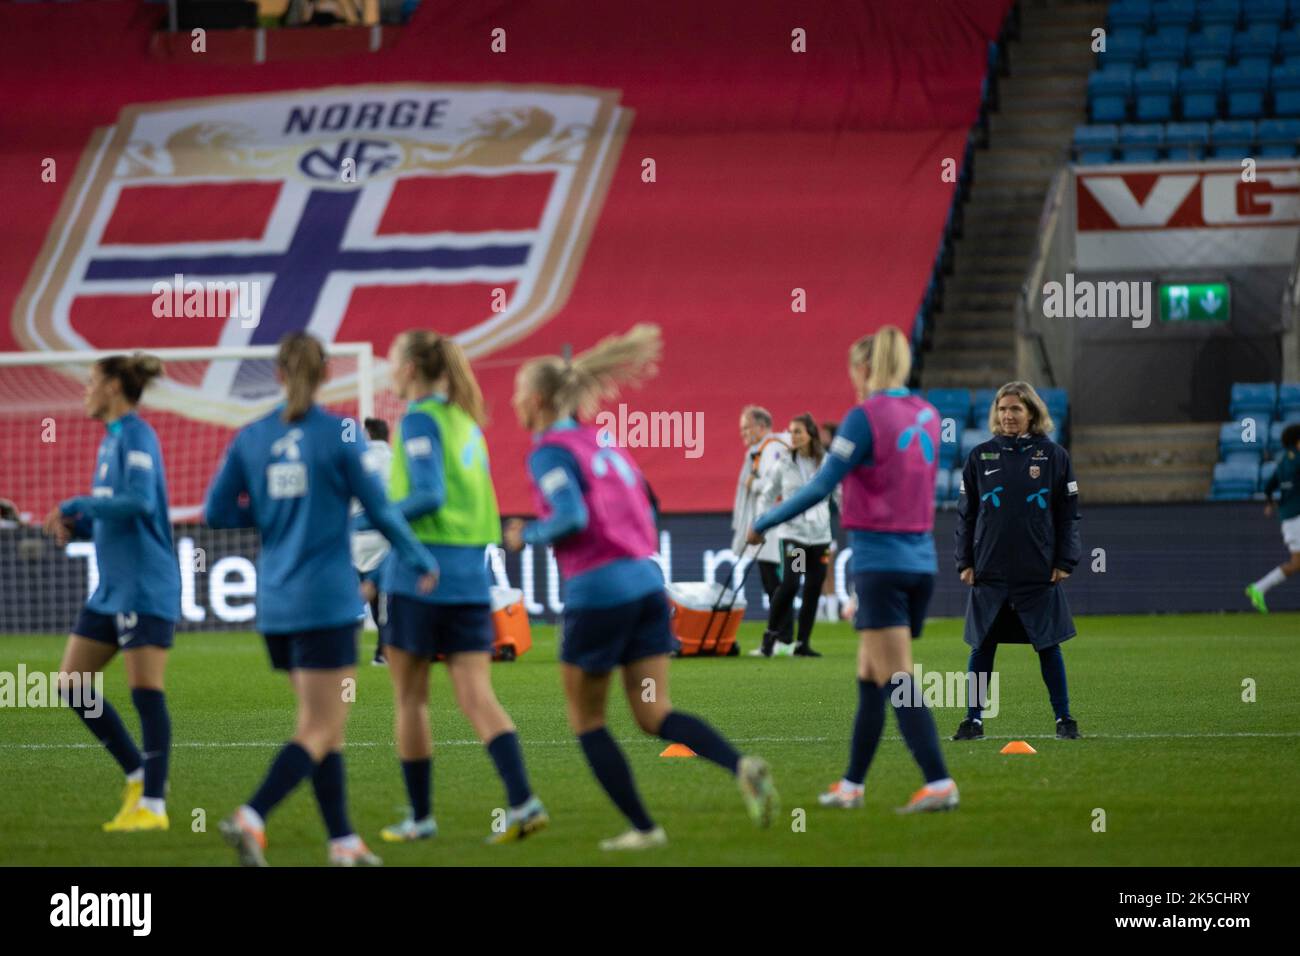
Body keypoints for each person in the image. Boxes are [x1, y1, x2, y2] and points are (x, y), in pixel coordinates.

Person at [502, 324, 778, 850]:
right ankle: (739, 764)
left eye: (518, 393)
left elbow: (570, 516)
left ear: (536, 399)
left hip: (598, 593)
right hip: (648, 586)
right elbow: (647, 506)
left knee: (586, 720)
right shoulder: (604, 441)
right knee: (653, 713)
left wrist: (525, 535)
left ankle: (645, 829)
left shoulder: (548, 451)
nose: (514, 402)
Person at [205, 333, 439, 867]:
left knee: (320, 723)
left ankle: (343, 842)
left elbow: (217, 513)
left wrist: (267, 512)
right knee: (322, 727)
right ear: (327, 373)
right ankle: (252, 815)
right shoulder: (341, 434)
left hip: (278, 605)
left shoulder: (251, 438)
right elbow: (380, 510)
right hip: (328, 601)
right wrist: (420, 558)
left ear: (279, 374)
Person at [749, 326, 959, 814]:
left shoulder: (864, 418)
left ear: (864, 369)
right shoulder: (928, 414)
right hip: (920, 561)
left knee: (898, 678)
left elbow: (822, 484)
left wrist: (765, 521)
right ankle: (852, 786)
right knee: (870, 674)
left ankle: (939, 781)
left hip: (880, 564)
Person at [361, 329, 546, 845]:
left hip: (421, 575)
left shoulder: (419, 419)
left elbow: (427, 493)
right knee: (477, 696)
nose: (390, 372)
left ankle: (420, 818)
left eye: (394, 361)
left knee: (411, 701)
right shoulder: (465, 422)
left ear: (414, 368)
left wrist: (370, 517)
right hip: (470, 576)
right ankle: (523, 800)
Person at [41, 353, 180, 833]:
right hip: (112, 589)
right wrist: (78, 527)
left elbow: (140, 502)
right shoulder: (110, 442)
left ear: (116, 387)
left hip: (145, 585)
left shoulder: (137, 435)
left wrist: (76, 504)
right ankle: (139, 774)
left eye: (92, 381)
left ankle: (154, 807)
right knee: (72, 684)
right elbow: (115, 514)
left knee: (146, 692)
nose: (85, 389)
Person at [952, 381, 1082, 741]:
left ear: (1032, 413)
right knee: (982, 647)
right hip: (989, 571)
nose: (1008, 416)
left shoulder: (1055, 456)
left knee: (1048, 645)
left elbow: (1068, 515)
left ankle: (1064, 719)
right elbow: (966, 515)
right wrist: (965, 560)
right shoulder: (980, 456)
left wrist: (1065, 560)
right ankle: (973, 720)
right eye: (1003, 409)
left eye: (1016, 409)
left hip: (1036, 571)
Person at [756, 413, 833, 657]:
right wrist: (762, 522)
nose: (793, 436)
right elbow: (766, 495)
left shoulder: (827, 462)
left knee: (813, 587)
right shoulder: (784, 463)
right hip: (795, 537)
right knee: (790, 584)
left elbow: (839, 491)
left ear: (811, 434)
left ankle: (803, 644)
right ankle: (770, 636)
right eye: (791, 432)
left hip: (820, 537)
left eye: (798, 431)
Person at [731, 405, 792, 653]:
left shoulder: (772, 447)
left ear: (762, 426)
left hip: (774, 528)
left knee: (776, 585)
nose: (743, 433)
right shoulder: (760, 450)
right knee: (772, 585)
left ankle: (784, 639)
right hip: (767, 526)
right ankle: (781, 639)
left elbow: (774, 485)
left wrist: (753, 483)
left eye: (747, 427)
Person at [352, 417, 393, 664]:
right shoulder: (398, 461)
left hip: (358, 538)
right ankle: (384, 650)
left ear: (367, 435)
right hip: (388, 536)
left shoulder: (357, 460)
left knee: (363, 595)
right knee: (386, 598)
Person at [1247, 423, 1300, 612]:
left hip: (1288, 517)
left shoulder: (1283, 461)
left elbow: (1269, 486)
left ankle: (1259, 587)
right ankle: (1259, 587)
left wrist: (1270, 503)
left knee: (1297, 563)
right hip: (1297, 516)